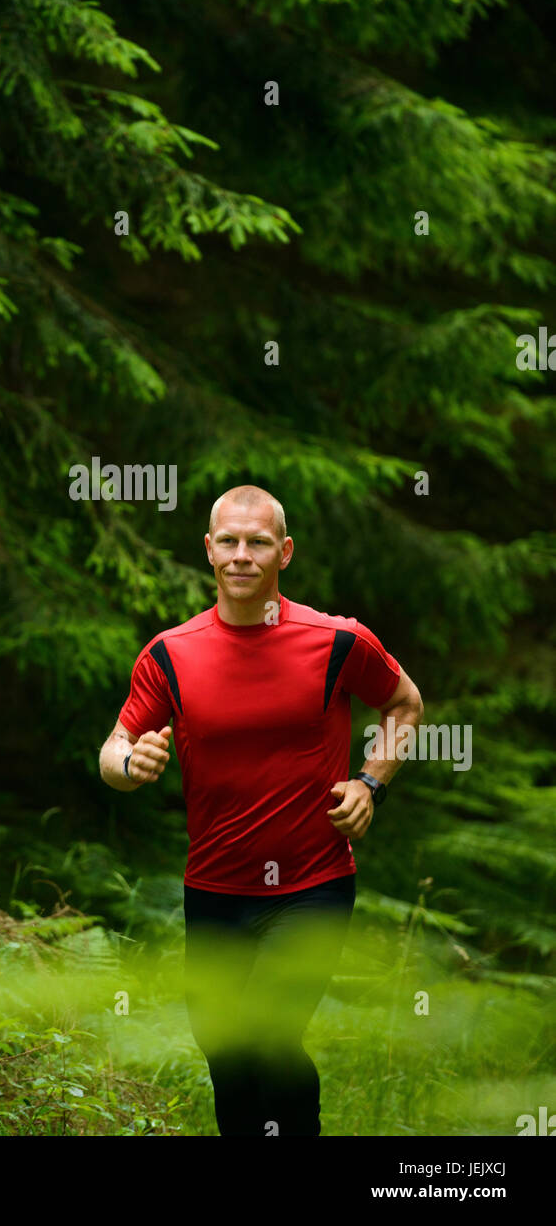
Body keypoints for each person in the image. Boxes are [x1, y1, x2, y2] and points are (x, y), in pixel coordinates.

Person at [98, 484, 424, 1136]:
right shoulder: (170, 653)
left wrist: (368, 783)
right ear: (208, 551)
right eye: (229, 541)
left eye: (257, 542)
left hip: (314, 883)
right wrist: (131, 767)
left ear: (284, 552)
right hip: (215, 886)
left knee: (269, 1036)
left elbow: (404, 704)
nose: (241, 555)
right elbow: (115, 746)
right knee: (223, 1048)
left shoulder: (335, 641)